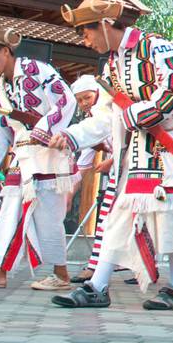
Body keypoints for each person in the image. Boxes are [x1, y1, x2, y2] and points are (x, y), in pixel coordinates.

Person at [48, 0, 173, 312]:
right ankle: (97, 287)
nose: (85, 41)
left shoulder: (155, 47)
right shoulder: (112, 64)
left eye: (86, 32)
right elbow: (107, 114)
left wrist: (134, 115)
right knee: (119, 218)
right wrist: (72, 135)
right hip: (140, 154)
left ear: (106, 25)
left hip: (171, 148)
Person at [0, 27, 76, 290]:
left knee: (47, 216)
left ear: (6, 50)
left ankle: (61, 275)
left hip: (49, 154)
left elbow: (66, 101)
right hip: (21, 156)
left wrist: (45, 131)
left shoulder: (38, 70)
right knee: (11, 210)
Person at [67, 74, 120, 285]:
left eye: (87, 97)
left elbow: (131, 144)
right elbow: (83, 163)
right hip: (119, 179)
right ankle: (96, 268)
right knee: (108, 222)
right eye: (79, 100)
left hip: (136, 173)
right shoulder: (93, 122)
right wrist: (70, 192)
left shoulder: (116, 112)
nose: (84, 104)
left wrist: (113, 161)